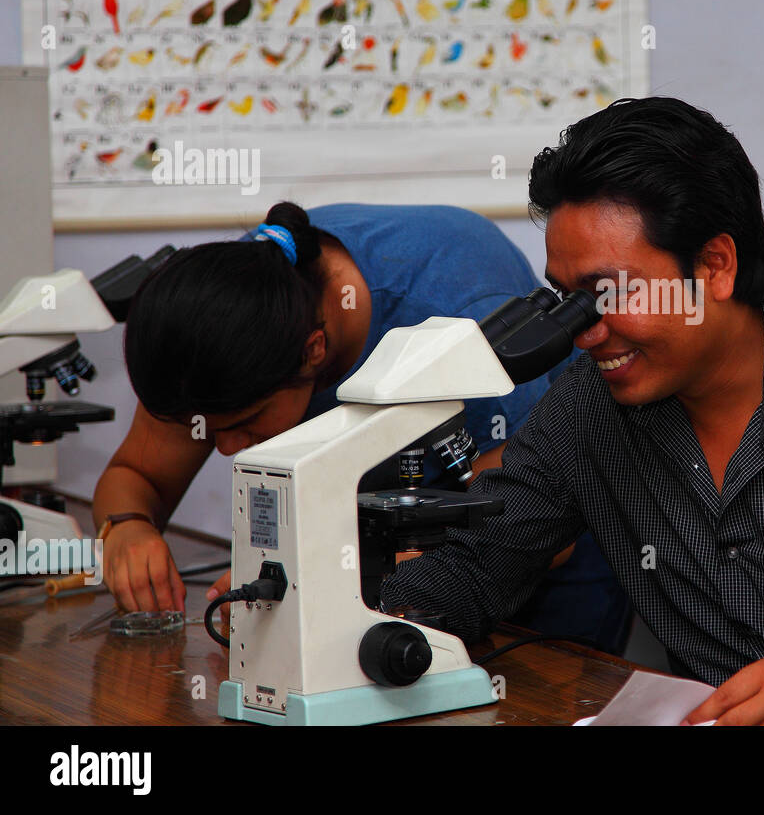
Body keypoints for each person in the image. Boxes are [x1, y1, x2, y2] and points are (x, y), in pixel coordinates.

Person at [382, 96, 764, 725]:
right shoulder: (589, 407)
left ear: (714, 265)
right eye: (566, 298)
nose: (585, 332)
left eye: (609, 293)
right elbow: (479, 566)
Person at [92, 201, 630, 652]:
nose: (226, 449)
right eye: (206, 430)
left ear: (313, 351)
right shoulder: (229, 318)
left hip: (540, 579)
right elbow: (137, 474)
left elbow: (524, 524)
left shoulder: (458, 309)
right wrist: (127, 528)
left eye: (243, 425)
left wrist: (316, 571)